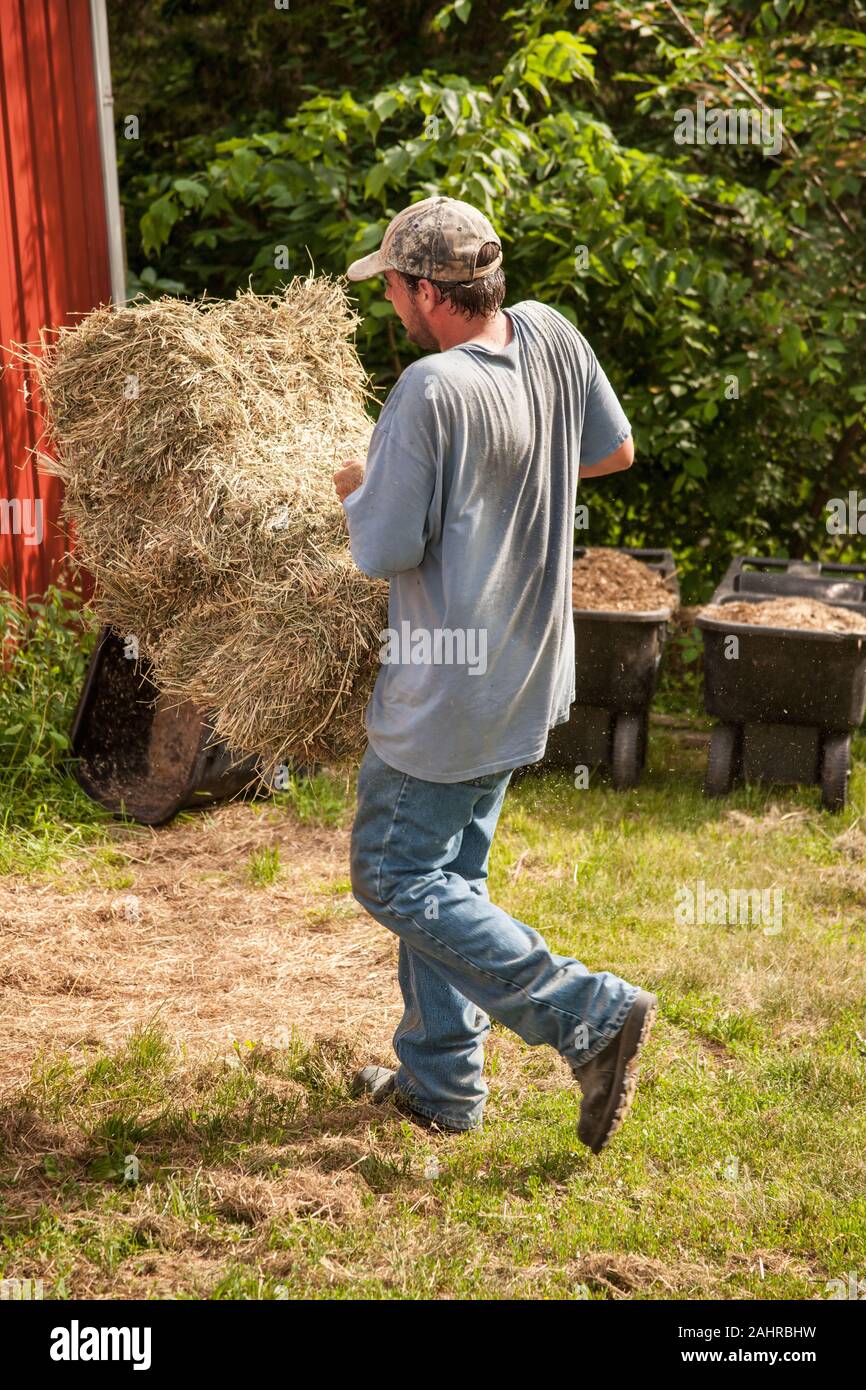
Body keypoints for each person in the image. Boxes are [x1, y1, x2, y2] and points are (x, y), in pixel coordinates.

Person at [333, 195, 656, 1152]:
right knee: (450, 882)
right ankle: (444, 1084)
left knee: (393, 874)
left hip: (446, 687)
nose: (388, 299)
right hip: (527, 672)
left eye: (392, 284)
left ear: (430, 291)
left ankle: (588, 1013)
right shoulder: (552, 336)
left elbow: (383, 546)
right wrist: (514, 472)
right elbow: (613, 450)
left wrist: (357, 485)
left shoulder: (431, 389)